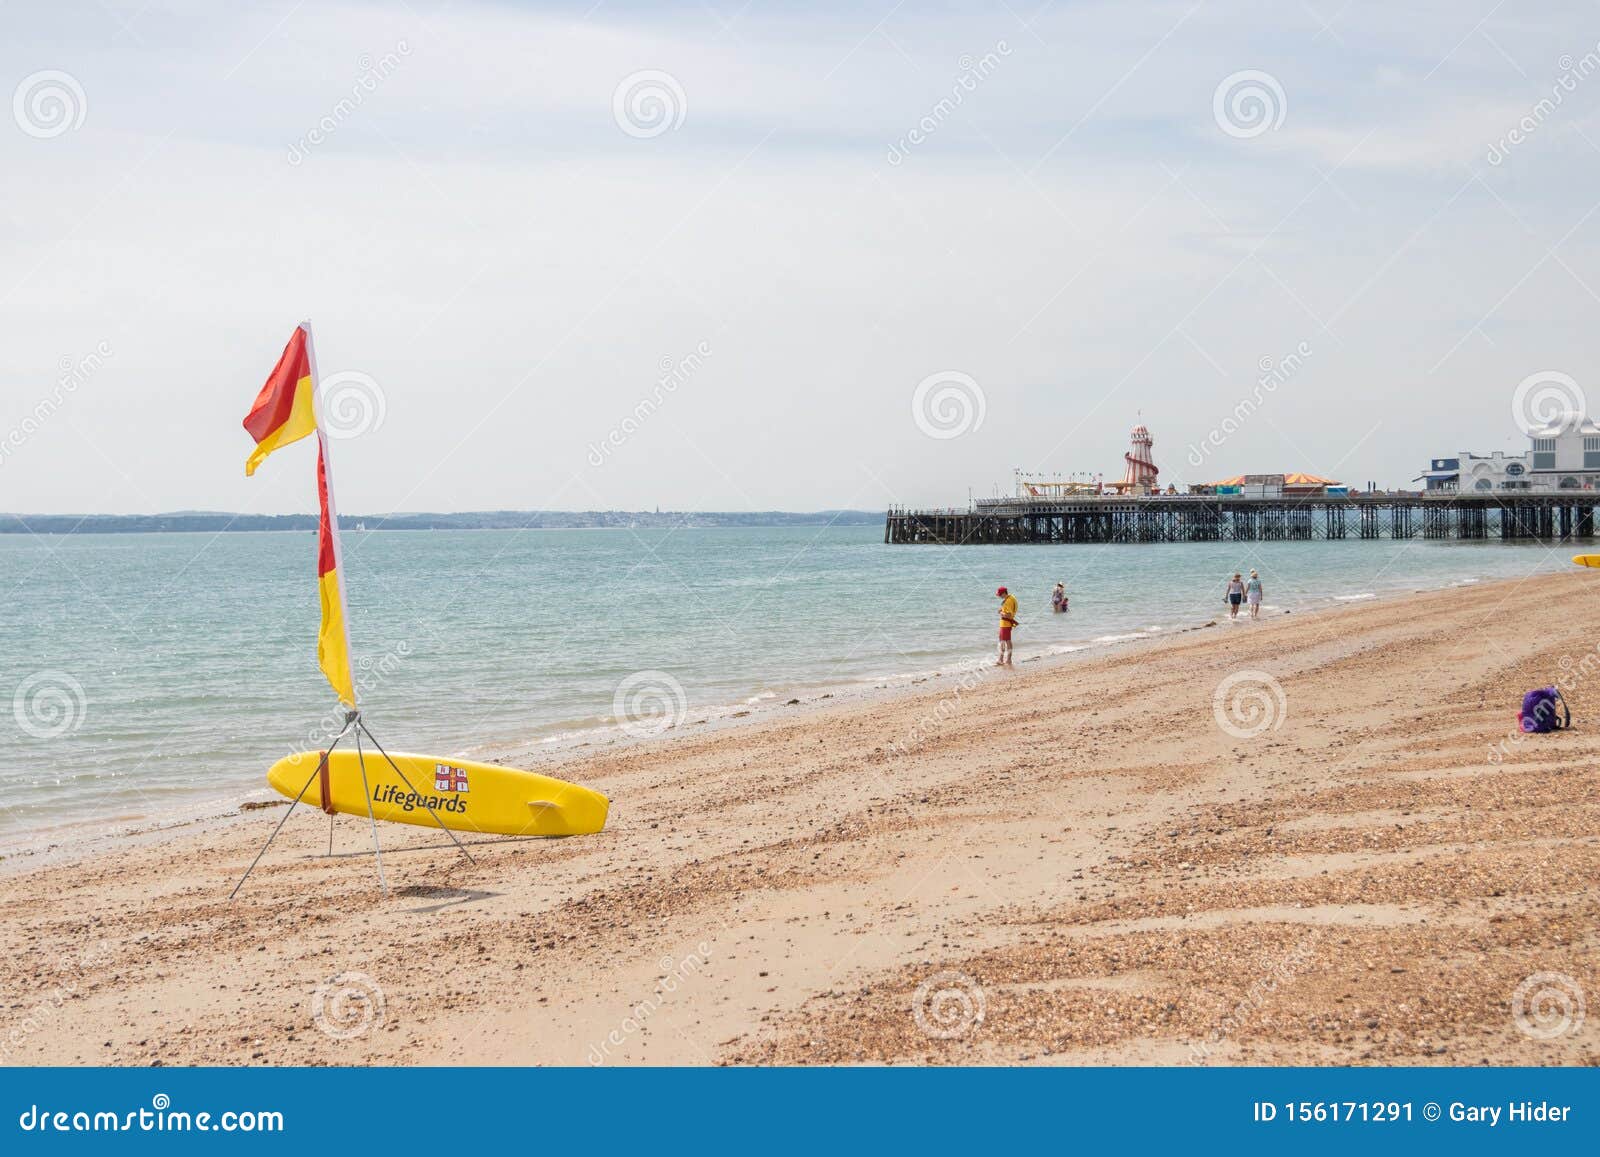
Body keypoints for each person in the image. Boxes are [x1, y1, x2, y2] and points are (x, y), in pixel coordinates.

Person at [996, 586, 1018, 666]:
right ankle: (1007, 659)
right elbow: (1010, 610)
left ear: (1004, 593)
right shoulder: (1011, 597)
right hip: (1006, 624)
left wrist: (1001, 613)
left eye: (1000, 595)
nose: (999, 596)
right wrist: (1002, 609)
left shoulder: (1008, 601)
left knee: (1003, 641)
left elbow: (1009, 615)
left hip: (1005, 623)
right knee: (1006, 640)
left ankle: (1002, 659)